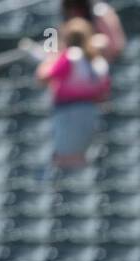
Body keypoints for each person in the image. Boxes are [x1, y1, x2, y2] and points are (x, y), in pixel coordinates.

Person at [36, 17, 111, 169]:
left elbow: (43, 77)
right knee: (82, 158)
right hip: (92, 112)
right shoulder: (98, 61)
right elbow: (104, 92)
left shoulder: (70, 56)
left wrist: (50, 58)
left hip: (69, 113)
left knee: (67, 160)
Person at [61, 0, 125, 61]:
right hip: (81, 66)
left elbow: (117, 46)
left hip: (108, 63)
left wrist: (92, 45)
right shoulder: (67, 11)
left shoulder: (99, 11)